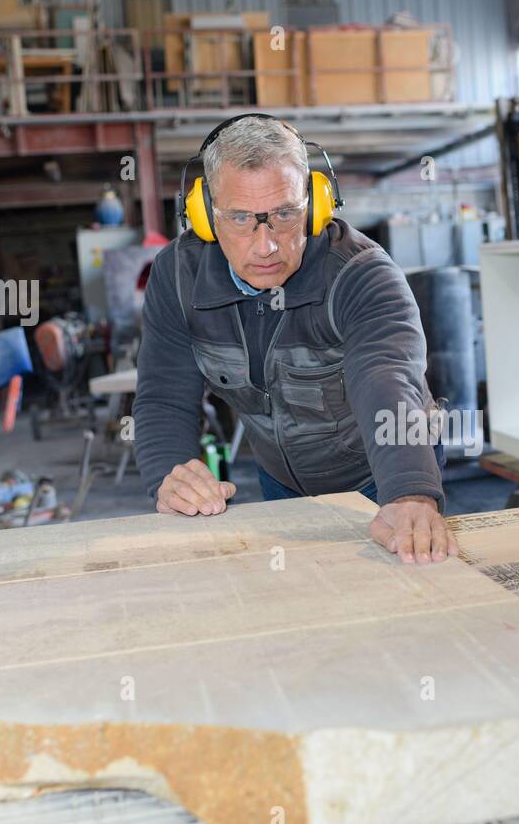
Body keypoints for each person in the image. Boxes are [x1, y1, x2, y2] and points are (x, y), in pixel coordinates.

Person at [132, 114, 457, 564]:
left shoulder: (362, 274)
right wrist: (171, 475)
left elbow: (388, 380)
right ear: (205, 215)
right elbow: (163, 395)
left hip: (382, 473)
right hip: (280, 478)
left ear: (316, 204)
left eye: (285, 214)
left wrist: (410, 492)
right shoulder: (177, 278)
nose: (265, 244)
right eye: (241, 218)